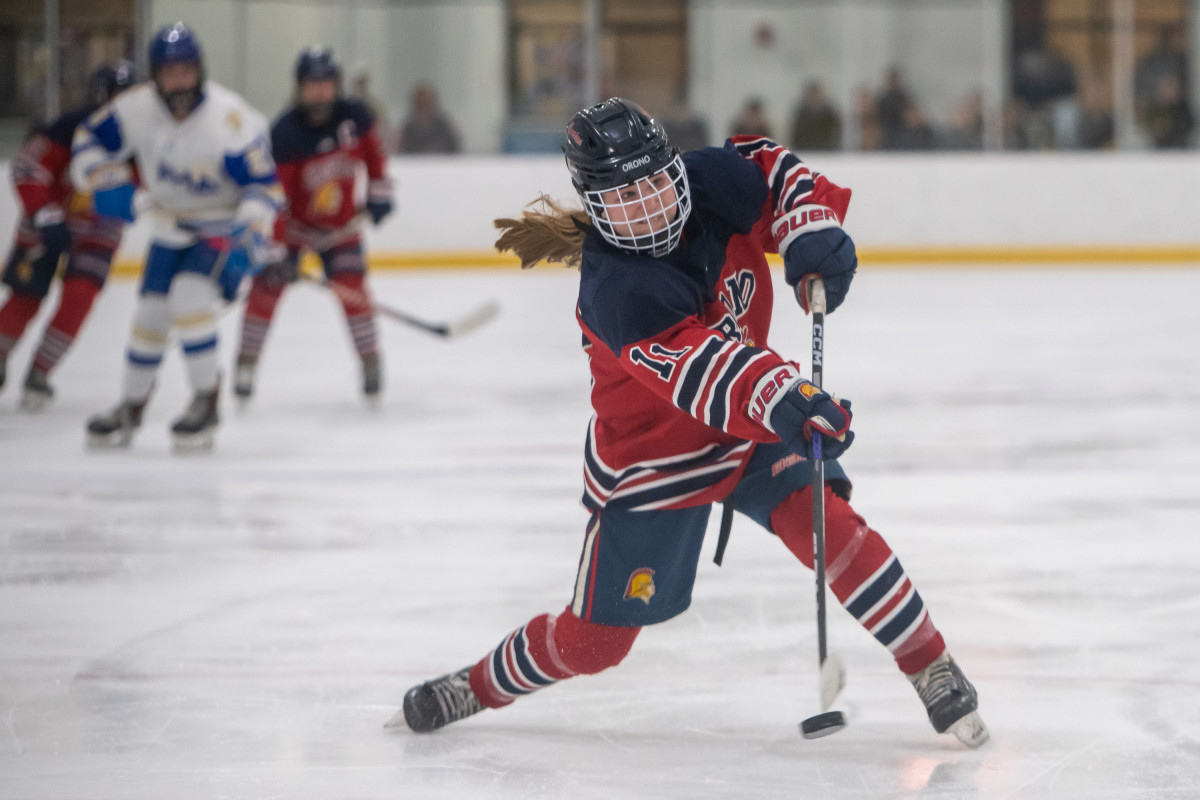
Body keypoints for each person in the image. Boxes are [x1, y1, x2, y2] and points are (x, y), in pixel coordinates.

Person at [393, 98, 989, 749]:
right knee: (594, 644)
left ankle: (930, 663)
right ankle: (474, 685)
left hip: (750, 432)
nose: (648, 207)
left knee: (832, 525)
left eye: (653, 182)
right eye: (624, 199)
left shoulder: (714, 183)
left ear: (674, 166)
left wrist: (805, 226)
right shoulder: (619, 288)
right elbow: (705, 373)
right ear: (594, 207)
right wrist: (790, 399)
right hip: (656, 460)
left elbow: (772, 167)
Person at [72, 22, 281, 450]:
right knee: (150, 314)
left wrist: (253, 222)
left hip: (220, 227)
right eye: (170, 73)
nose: (179, 81)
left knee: (188, 297)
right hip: (169, 229)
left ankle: (205, 401)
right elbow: (87, 140)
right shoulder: (134, 109)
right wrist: (103, 176)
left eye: (186, 71)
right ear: (156, 75)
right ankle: (131, 406)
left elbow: (265, 185)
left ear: (199, 70)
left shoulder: (230, 118)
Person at [233, 46, 394, 401]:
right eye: (312, 85)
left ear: (336, 85)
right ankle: (245, 364)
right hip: (294, 230)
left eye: (326, 84)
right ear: (299, 87)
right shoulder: (286, 133)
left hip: (341, 229)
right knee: (265, 291)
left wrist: (380, 194)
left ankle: (370, 364)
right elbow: (276, 200)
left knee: (354, 291)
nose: (320, 92)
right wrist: (276, 252)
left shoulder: (356, 116)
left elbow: (375, 159)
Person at [0, 62, 136, 409]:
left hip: (99, 229)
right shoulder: (69, 127)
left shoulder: (142, 138)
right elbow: (27, 167)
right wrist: (44, 211)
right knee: (26, 298)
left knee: (80, 295)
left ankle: (41, 371)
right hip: (48, 224)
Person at [397, 83, 460, 154]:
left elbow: (454, 146)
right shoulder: (409, 127)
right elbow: (403, 150)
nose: (424, 107)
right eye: (421, 103)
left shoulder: (442, 124)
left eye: (427, 103)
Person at [789, 81, 841, 151]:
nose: (815, 98)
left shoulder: (831, 115)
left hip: (827, 153)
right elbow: (796, 138)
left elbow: (835, 138)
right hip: (806, 152)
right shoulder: (801, 114)